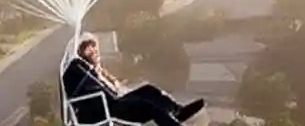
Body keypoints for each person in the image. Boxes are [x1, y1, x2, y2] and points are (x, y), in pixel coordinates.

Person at [62, 34, 205, 125]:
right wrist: (95, 71)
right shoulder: (78, 69)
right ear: (80, 52)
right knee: (147, 105)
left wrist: (101, 72)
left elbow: (112, 87)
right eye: (88, 49)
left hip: (115, 101)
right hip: (108, 109)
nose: (93, 51)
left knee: (148, 90)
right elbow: (89, 92)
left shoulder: (92, 70)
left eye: (94, 47)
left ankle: (177, 111)